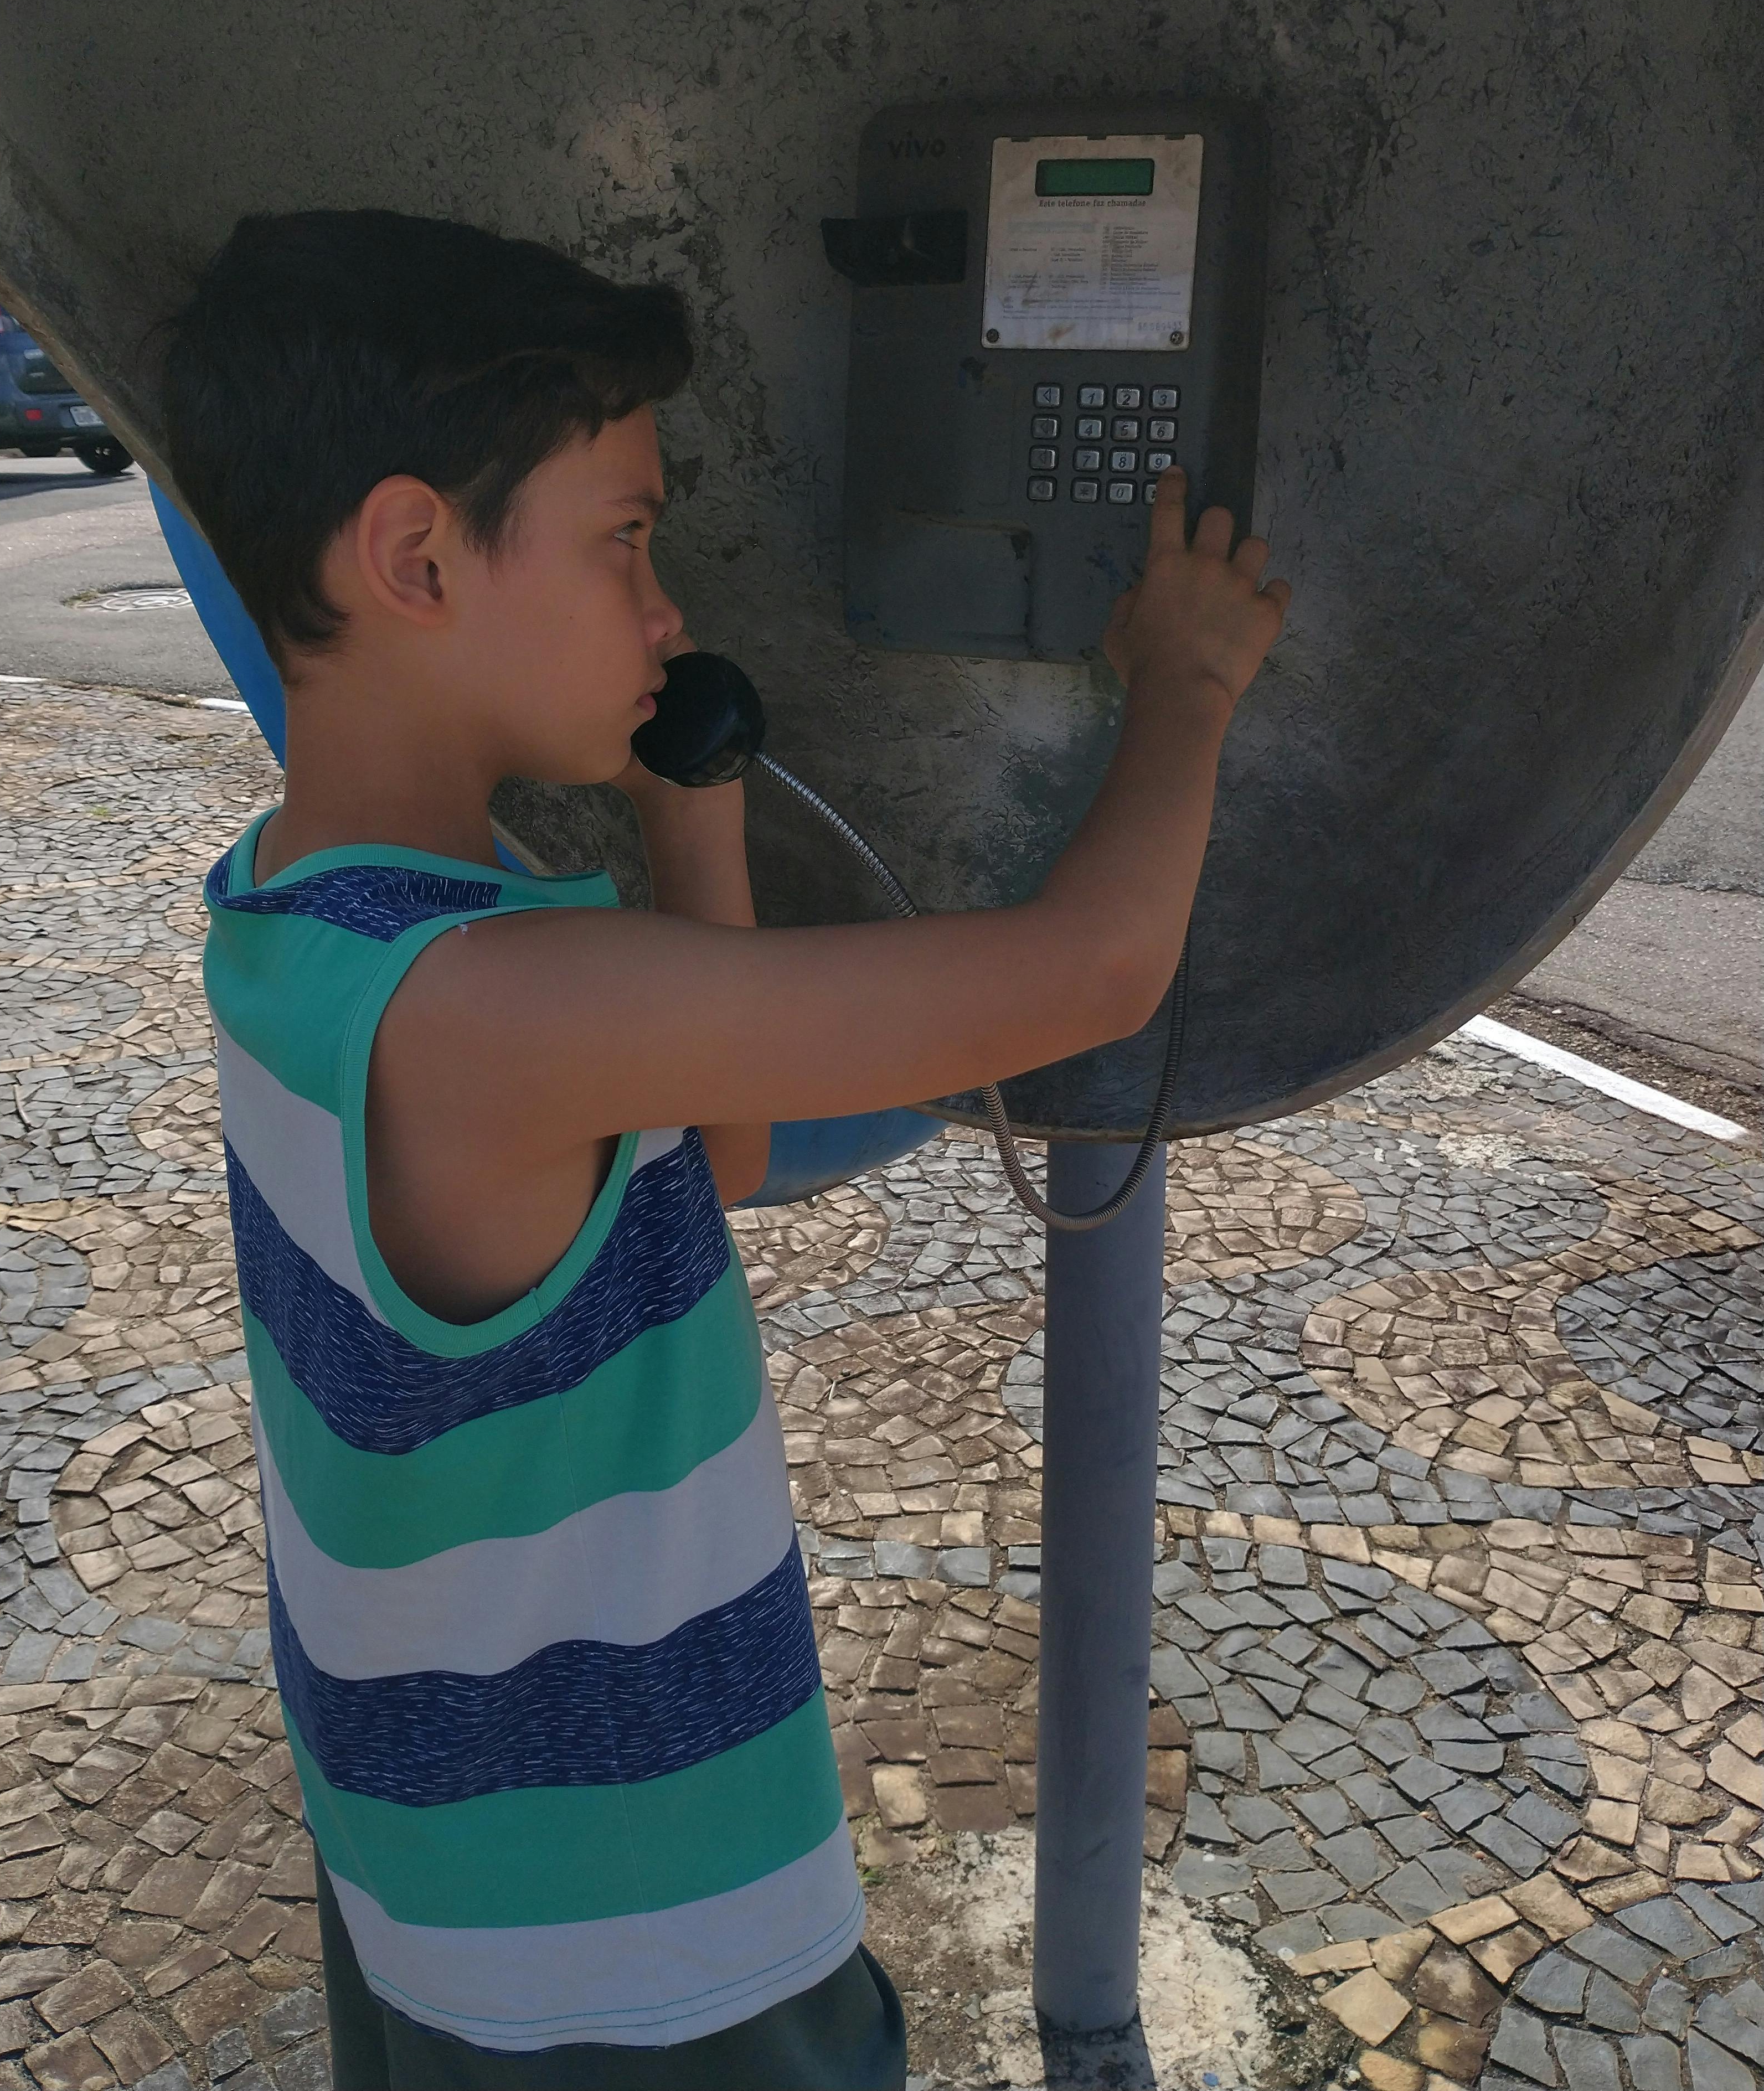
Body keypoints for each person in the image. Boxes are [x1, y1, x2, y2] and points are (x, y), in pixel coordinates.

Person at [161, 210, 1288, 2090]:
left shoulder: (300, 921)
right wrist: (1185, 681)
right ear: (418, 555)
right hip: (642, 1952)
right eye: (627, 539)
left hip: (437, 1875)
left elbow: (725, 1157)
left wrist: (692, 830)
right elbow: (1093, 974)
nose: (668, 607)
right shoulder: (501, 1007)